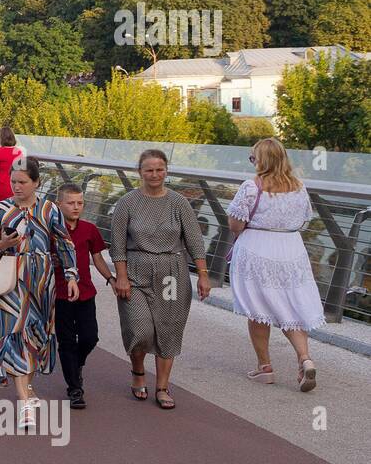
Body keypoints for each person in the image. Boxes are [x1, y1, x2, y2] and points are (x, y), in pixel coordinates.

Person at [0, 157, 80, 429]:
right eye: (13, 181)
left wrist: (71, 276)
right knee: (14, 333)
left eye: (22, 182)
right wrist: (2, 243)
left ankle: (28, 386)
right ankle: (24, 402)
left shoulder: (51, 210)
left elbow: (64, 245)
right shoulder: (1, 209)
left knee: (35, 335)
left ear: (36, 182)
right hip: (10, 280)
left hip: (41, 282)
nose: (16, 186)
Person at [111, 149, 210, 411]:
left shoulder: (178, 203)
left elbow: (195, 241)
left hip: (171, 274)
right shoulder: (127, 203)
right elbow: (117, 244)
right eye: (149, 170)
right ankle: (138, 371)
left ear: (166, 170)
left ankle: (163, 387)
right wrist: (121, 276)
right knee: (139, 329)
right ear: (139, 172)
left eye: (159, 169)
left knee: (168, 328)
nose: (155, 175)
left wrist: (202, 275)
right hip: (136, 270)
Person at [227, 138, 324, 392]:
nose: (252, 162)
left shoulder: (251, 187)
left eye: (253, 158)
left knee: (259, 309)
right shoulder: (299, 187)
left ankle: (265, 368)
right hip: (291, 250)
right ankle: (305, 358)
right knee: (291, 306)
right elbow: (305, 220)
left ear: (262, 160)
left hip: (257, 249)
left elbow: (235, 224)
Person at [54, 183, 113, 409]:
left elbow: (97, 258)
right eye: (70, 203)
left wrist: (111, 278)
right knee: (67, 341)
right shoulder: (53, 229)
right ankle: (74, 388)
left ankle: (75, 364)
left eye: (80, 203)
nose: (76, 207)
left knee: (90, 337)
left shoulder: (89, 229)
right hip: (60, 295)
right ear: (60, 204)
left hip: (86, 292)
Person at [0, 126, 24, 204]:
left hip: (1, 186)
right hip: (15, 186)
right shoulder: (19, 152)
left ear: (1, 138)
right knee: (12, 212)